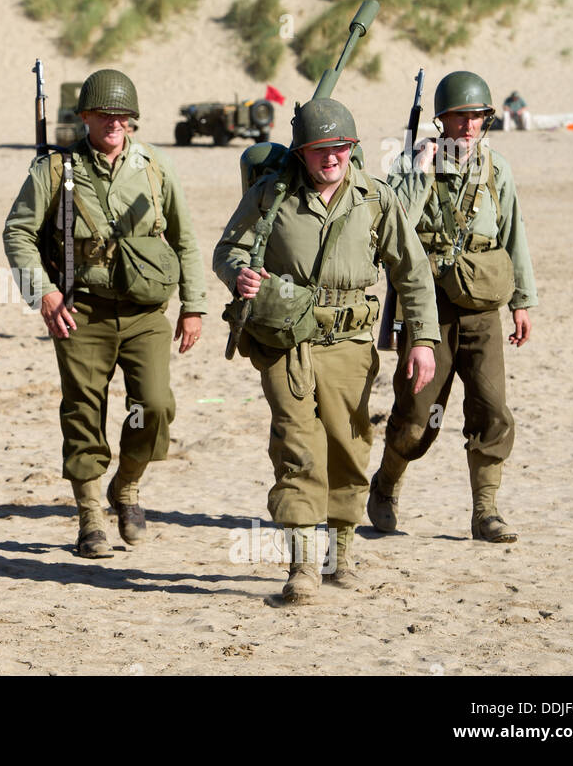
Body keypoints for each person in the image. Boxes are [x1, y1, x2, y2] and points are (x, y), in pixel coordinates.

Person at [213, 98, 439, 604]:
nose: (330, 157)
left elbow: (412, 271)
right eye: (319, 149)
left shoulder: (376, 199)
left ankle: (340, 556)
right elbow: (226, 249)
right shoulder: (270, 195)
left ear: (352, 149)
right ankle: (302, 567)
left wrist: (421, 340)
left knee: (350, 446)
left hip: (350, 343)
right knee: (296, 446)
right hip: (283, 341)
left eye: (338, 147)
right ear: (302, 153)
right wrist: (238, 273)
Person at [3, 69, 208, 559]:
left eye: (122, 114)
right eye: (104, 114)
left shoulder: (155, 167)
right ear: (87, 117)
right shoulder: (54, 170)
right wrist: (45, 295)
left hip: (145, 312)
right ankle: (91, 515)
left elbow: (184, 237)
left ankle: (128, 488)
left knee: (155, 406)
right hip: (81, 310)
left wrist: (194, 305)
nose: (114, 122)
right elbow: (18, 234)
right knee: (83, 412)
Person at [368, 71, 537, 544]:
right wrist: (418, 171)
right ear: (441, 121)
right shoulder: (411, 162)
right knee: (417, 416)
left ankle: (486, 511)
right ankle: (385, 485)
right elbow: (390, 224)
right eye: (459, 117)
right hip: (427, 305)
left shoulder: (497, 168)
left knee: (491, 408)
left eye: (476, 117)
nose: (468, 127)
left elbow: (513, 236)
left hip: (482, 302)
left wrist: (522, 301)